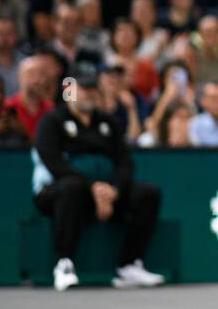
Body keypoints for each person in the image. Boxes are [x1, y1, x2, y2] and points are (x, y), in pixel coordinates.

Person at [32, 64, 165, 291]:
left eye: (93, 88)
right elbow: (54, 163)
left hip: (105, 194)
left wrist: (114, 190)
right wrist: (92, 187)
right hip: (58, 194)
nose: (89, 93)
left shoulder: (108, 122)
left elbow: (125, 162)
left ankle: (129, 266)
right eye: (83, 88)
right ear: (69, 91)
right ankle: (64, 264)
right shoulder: (52, 121)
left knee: (147, 194)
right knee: (71, 187)